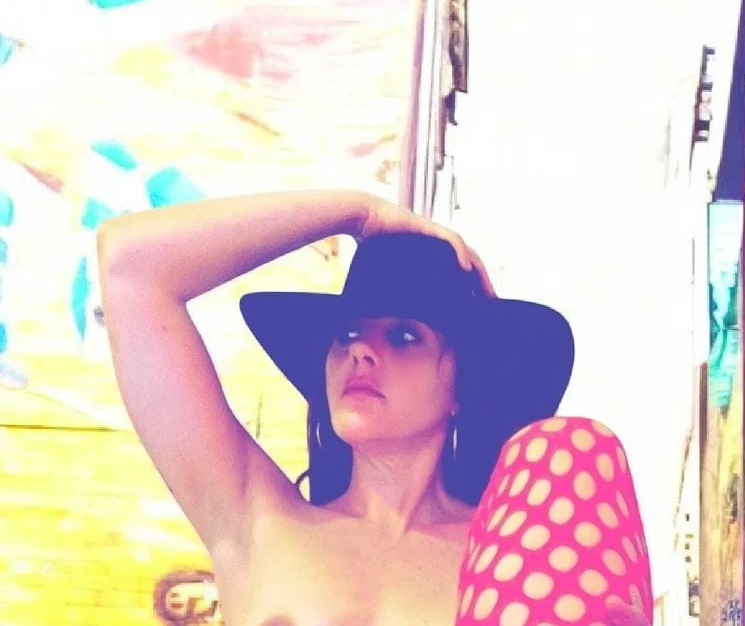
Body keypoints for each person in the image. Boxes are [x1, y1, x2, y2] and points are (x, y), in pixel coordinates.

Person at [97, 189, 652, 626]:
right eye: (347, 333)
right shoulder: (256, 518)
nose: (361, 350)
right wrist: (358, 211)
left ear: (461, 386)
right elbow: (130, 263)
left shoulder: (514, 557)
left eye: (404, 336)